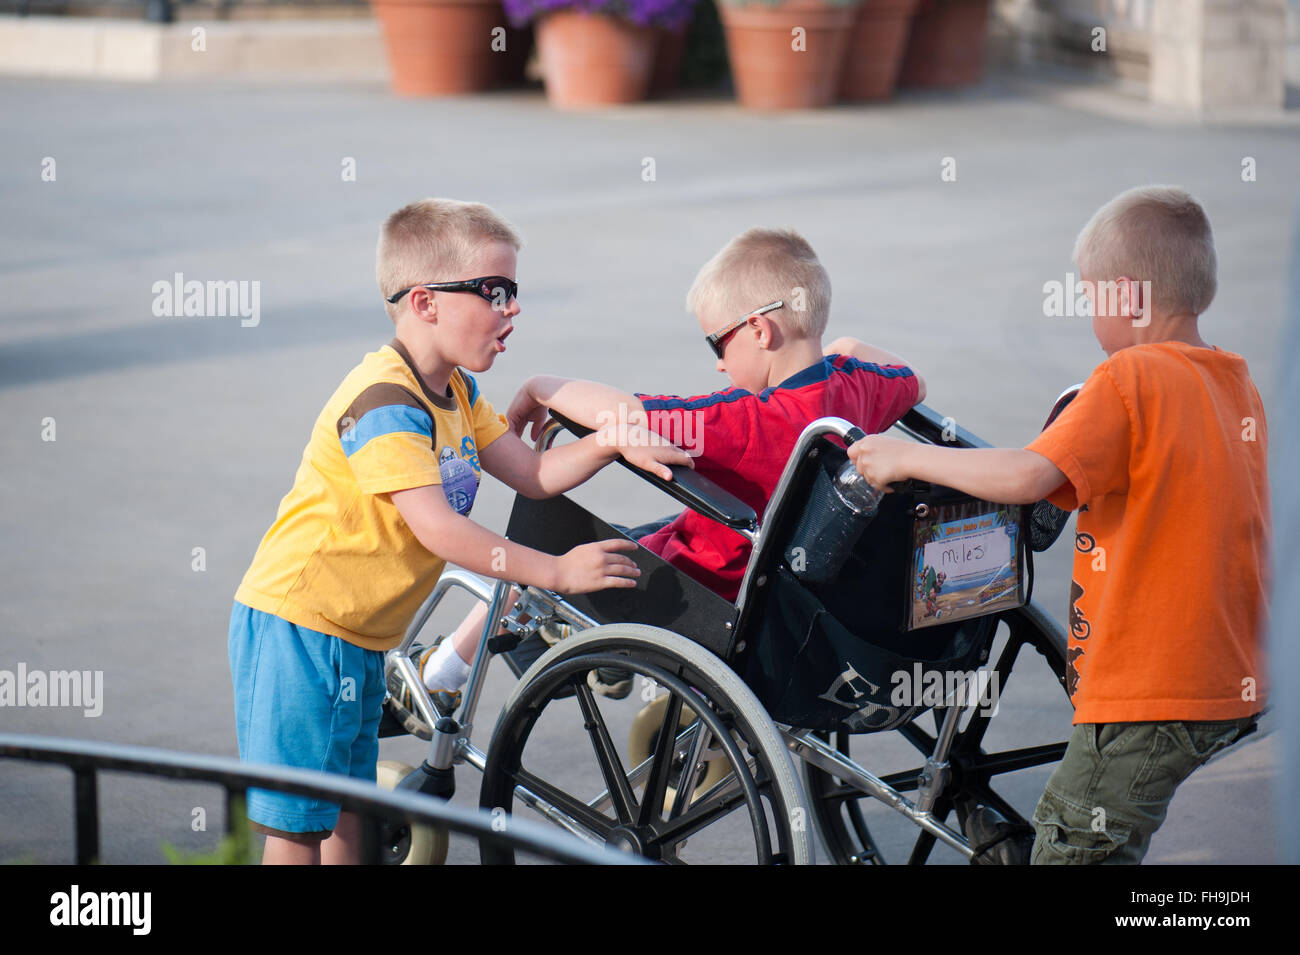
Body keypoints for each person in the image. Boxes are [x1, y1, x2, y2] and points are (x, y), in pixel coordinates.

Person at [228, 198, 688, 864]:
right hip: (302, 626)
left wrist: (612, 439)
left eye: (514, 292)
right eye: (494, 291)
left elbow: (532, 472)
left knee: (349, 820)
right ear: (425, 301)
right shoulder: (386, 400)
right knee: (298, 828)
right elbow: (441, 530)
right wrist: (557, 571)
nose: (512, 309)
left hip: (354, 635)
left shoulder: (458, 392)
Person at [848, 185, 1269, 864]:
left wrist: (905, 456)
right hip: (1227, 667)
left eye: (1091, 296)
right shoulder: (1232, 379)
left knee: (1074, 840)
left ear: (1129, 298)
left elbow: (1028, 479)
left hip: (1149, 683)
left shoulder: (1128, 378)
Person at [410, 226, 926, 708]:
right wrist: (838, 351)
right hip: (791, 592)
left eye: (718, 344)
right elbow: (914, 381)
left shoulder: (742, 421)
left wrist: (541, 385)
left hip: (700, 595)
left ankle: (441, 676)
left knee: (551, 540)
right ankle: (502, 658)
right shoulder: (862, 389)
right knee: (645, 529)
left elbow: (625, 416)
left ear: (759, 331)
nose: (720, 365)